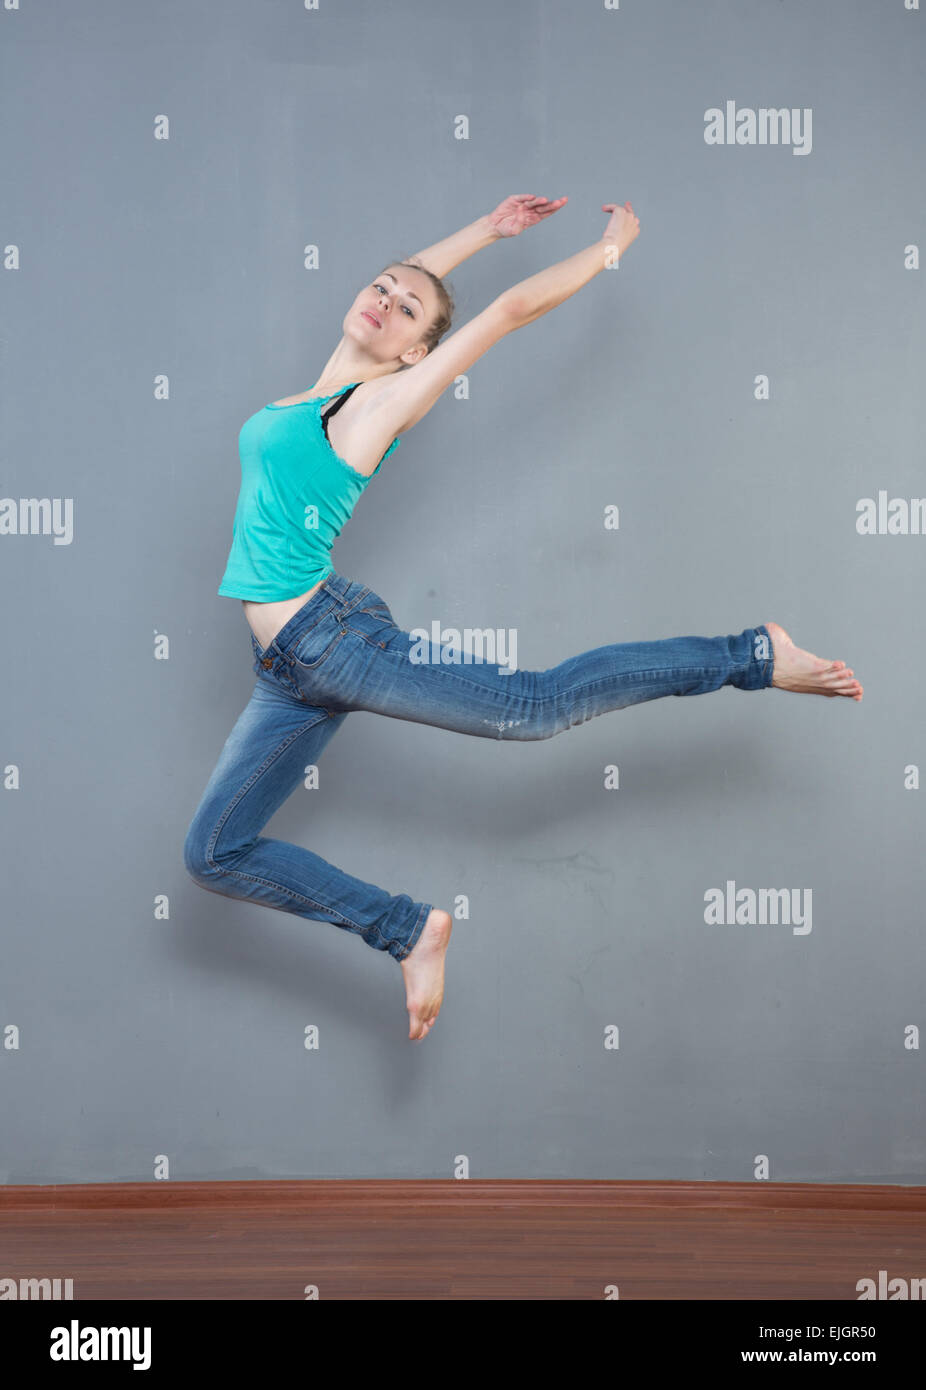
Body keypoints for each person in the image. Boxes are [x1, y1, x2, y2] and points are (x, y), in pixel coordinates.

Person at [183, 195, 862, 1043]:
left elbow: (505, 312)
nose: (386, 301)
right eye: (382, 288)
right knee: (214, 852)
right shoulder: (325, 384)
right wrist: (482, 233)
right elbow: (419, 282)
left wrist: (609, 249)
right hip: (289, 669)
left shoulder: (375, 405)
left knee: (537, 706)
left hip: (333, 642)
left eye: (405, 311)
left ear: (417, 351)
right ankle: (406, 928)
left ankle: (753, 655)